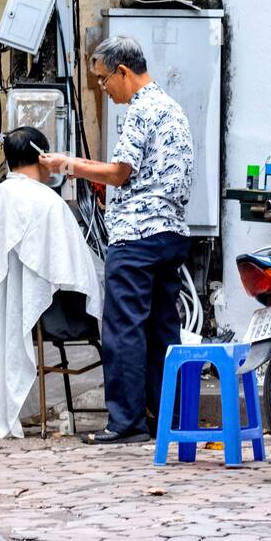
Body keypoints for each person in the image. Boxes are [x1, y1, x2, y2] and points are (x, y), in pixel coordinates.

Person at [39, 36, 193, 445]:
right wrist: (72, 165)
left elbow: (120, 174)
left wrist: (70, 165)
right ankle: (169, 418)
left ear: (124, 72)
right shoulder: (170, 107)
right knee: (162, 328)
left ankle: (125, 423)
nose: (103, 90)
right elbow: (122, 169)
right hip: (170, 234)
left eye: (104, 80)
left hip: (138, 238)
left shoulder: (140, 111)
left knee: (124, 329)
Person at [0, 127, 103, 439]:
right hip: (53, 315)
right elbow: (75, 270)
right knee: (107, 297)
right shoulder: (48, 203)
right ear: (42, 157)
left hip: (1, 308)